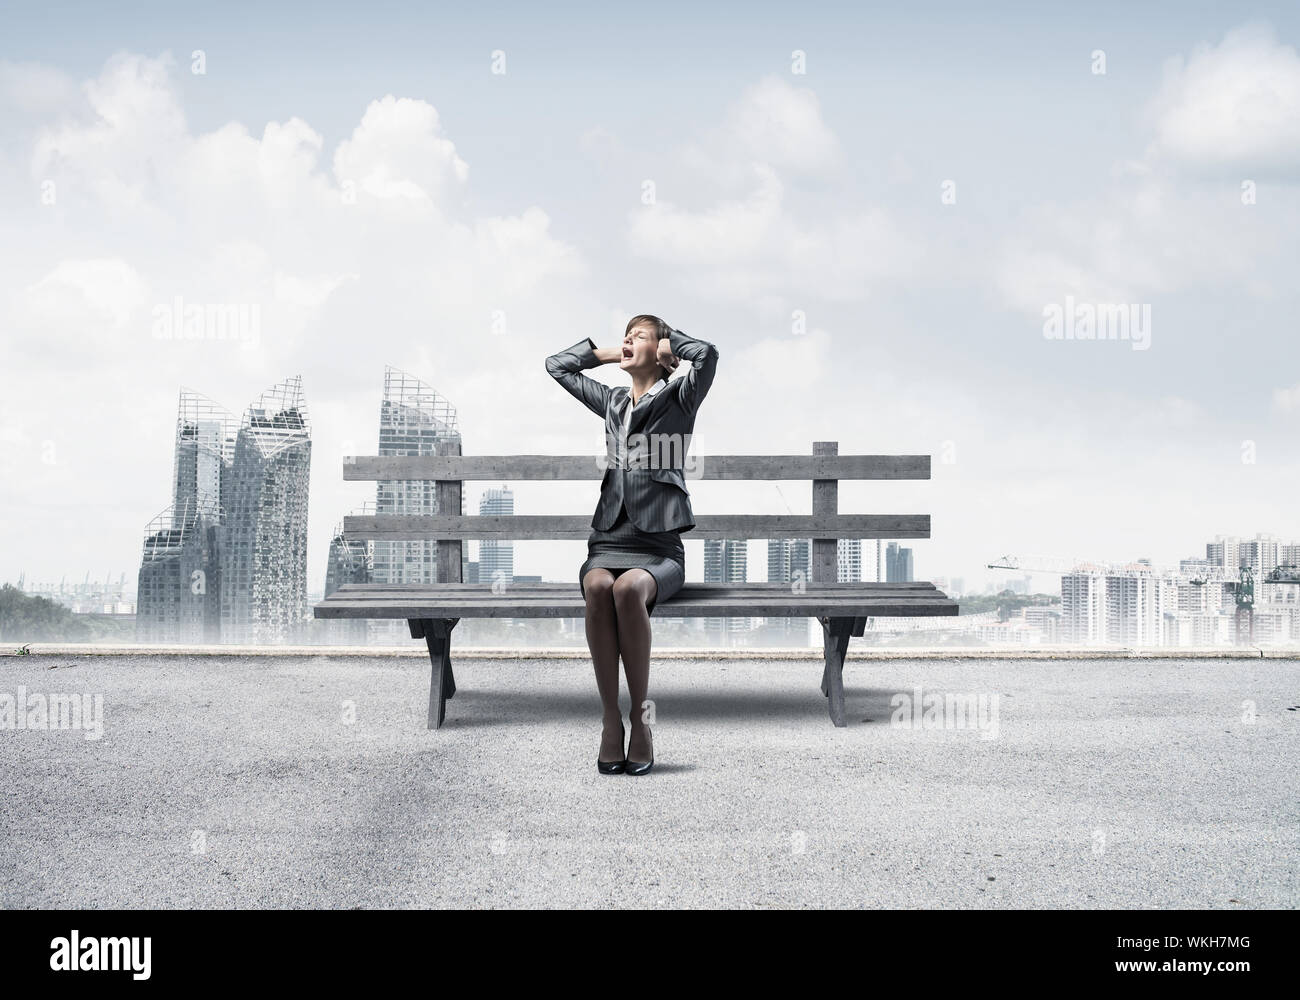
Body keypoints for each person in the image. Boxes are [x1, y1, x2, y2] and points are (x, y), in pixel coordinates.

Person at [545, 315, 719, 775]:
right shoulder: (612, 401)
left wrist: (670, 346)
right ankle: (609, 720)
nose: (627, 340)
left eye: (636, 335)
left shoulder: (681, 396)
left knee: (627, 590)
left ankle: (640, 721)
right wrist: (608, 353)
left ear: (661, 352)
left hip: (659, 551)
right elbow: (557, 366)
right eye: (627, 334)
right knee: (601, 586)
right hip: (607, 541)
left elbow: (707, 354)